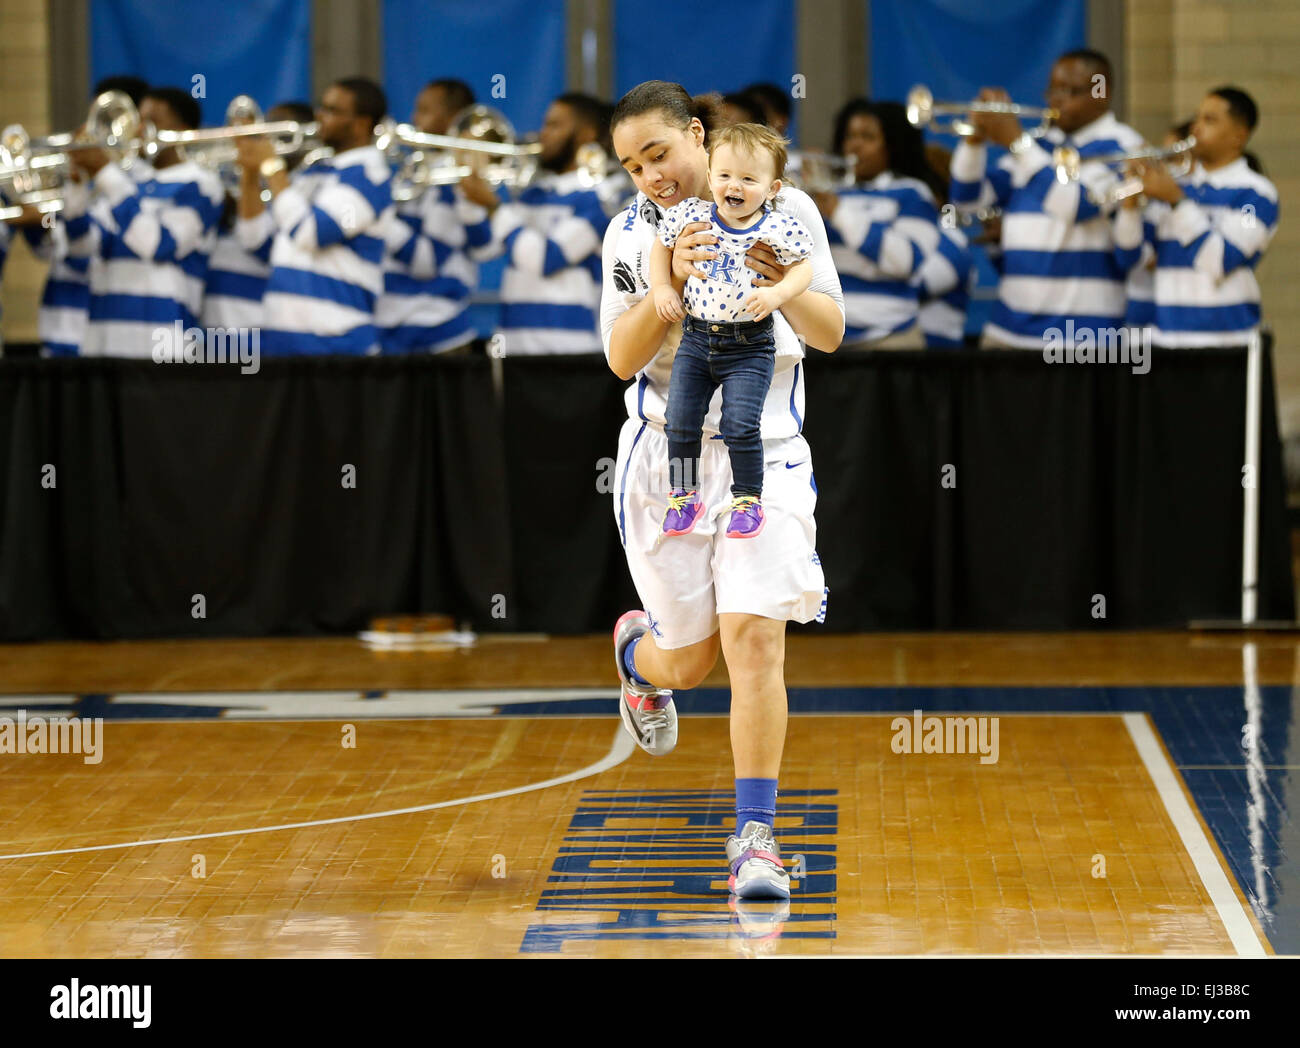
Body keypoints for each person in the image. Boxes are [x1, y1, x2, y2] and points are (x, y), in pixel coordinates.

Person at [601, 80, 844, 900]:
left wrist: (785, 287)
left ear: (698, 136)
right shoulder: (631, 233)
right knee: (692, 663)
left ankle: (756, 840)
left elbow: (831, 332)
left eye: (660, 153)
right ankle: (638, 656)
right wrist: (668, 287)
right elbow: (622, 359)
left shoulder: (788, 208)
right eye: (633, 165)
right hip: (668, 462)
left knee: (755, 641)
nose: (650, 176)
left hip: (765, 452)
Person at [648, 122, 814, 539]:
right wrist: (662, 286)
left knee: (741, 425)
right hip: (697, 337)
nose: (732, 186)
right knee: (680, 421)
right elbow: (660, 246)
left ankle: (747, 500)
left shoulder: (776, 226)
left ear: (772, 188)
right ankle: (683, 494)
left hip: (750, 345)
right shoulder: (692, 214)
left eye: (747, 178)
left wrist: (778, 295)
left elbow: (804, 268)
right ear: (710, 177)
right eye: (723, 175)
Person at [950, 48, 1145, 348]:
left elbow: (1078, 206)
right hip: (1008, 330)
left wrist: (1017, 142)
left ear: (1101, 92)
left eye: (1069, 90)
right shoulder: (1038, 146)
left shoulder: (1125, 146)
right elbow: (967, 200)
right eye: (1053, 89)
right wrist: (973, 142)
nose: (1055, 99)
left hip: (1081, 338)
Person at [235, 77, 394, 355]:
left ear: (361, 124)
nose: (319, 116)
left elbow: (310, 233)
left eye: (332, 110)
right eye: (322, 107)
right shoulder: (313, 173)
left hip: (337, 347)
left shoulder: (369, 176)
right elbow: (256, 241)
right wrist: (250, 172)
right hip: (283, 344)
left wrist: (271, 165)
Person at [62, 86, 224, 357]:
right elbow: (79, 250)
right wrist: (76, 184)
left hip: (163, 349)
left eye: (152, 123)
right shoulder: (124, 181)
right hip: (102, 344)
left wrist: (103, 171)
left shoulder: (201, 184)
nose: (138, 131)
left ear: (182, 132)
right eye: (138, 122)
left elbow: (158, 245)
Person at [463, 92, 626, 354]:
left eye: (554, 125)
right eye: (544, 124)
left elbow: (547, 259)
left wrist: (493, 206)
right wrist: (468, 198)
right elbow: (483, 248)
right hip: (514, 348)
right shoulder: (532, 193)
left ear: (585, 134)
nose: (543, 134)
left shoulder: (603, 196)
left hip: (572, 354)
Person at [1115, 86, 1278, 348]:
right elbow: (1130, 257)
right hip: (1166, 341)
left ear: (1239, 136)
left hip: (1227, 344)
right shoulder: (1176, 186)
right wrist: (1130, 206)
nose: (1196, 127)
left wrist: (1176, 202)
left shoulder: (1257, 194)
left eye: (1210, 120)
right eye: (1197, 117)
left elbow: (1220, 261)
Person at [813, 98, 942, 347]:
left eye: (868, 137)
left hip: (892, 338)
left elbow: (904, 261)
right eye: (850, 136)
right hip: (830, 340)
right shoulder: (830, 193)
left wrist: (839, 213)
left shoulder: (913, 193)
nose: (855, 145)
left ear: (891, 145)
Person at [375, 83, 492, 355]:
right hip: (392, 331)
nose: (415, 119)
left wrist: (376, 214)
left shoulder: (454, 181)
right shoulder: (413, 169)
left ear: (453, 119)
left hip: (440, 334)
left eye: (425, 111)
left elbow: (425, 261)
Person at [202, 101, 314, 333]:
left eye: (277, 130)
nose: (264, 137)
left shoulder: (309, 188)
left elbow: (258, 243)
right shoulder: (242, 182)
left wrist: (267, 166)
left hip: (263, 327)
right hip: (213, 329)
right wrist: (249, 172)